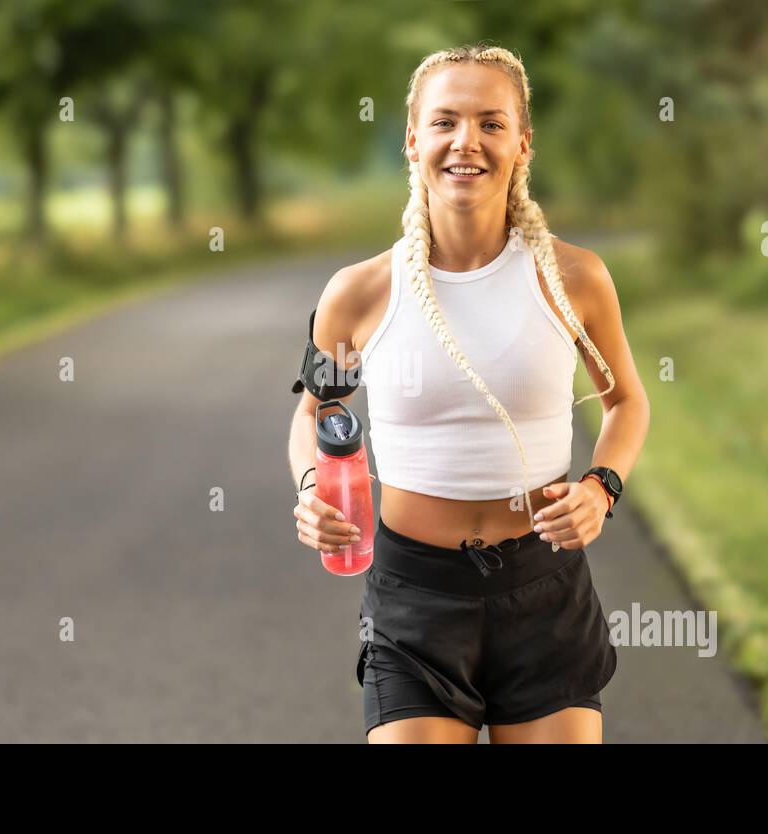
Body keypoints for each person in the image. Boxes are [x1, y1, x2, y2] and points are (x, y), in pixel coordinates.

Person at [287, 44, 650, 743]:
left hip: (545, 592)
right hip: (413, 601)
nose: (467, 142)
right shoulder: (360, 293)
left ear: (522, 143)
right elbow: (318, 412)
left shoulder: (574, 279)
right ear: (413, 139)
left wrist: (601, 487)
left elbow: (626, 401)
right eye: (446, 121)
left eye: (491, 122)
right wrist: (313, 485)